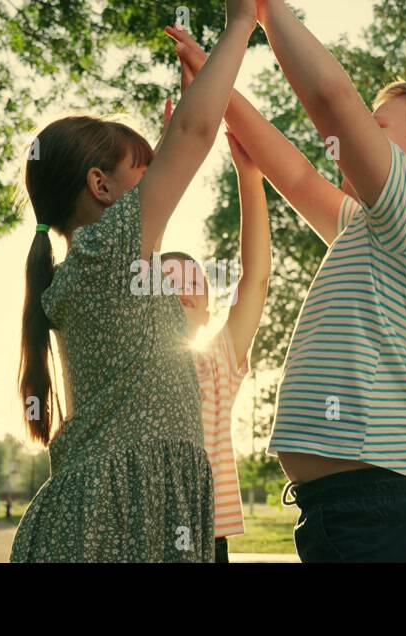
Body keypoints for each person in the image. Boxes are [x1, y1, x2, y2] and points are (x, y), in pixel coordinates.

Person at [168, 0, 406, 561]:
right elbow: (295, 175)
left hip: (380, 507)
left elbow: (331, 99)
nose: (358, 134)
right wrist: (215, 85)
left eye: (376, 127)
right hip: (347, 507)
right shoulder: (372, 228)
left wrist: (263, 12)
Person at [10, 0, 258, 562]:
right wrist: (241, 23)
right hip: (116, 517)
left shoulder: (93, 267)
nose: (158, 181)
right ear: (100, 187)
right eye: (143, 171)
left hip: (106, 516)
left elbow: (183, 139)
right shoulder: (106, 253)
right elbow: (195, 134)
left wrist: (183, 117)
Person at [162, 131, 271, 564]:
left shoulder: (217, 364)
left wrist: (250, 176)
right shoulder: (129, 364)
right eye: (166, 282)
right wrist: (168, 157)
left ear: (208, 313)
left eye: (194, 283)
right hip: (140, 538)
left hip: (208, 540)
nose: (182, 288)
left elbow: (255, 278)